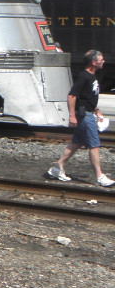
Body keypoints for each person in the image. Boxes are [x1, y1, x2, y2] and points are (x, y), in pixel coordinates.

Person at [47, 49, 115, 187]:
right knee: (94, 145)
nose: (103, 61)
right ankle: (100, 176)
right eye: (101, 59)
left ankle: (56, 169)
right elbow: (72, 96)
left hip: (89, 113)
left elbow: (87, 98)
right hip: (84, 116)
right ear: (93, 62)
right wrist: (72, 115)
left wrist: (98, 110)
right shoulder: (84, 76)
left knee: (76, 143)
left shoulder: (92, 76)